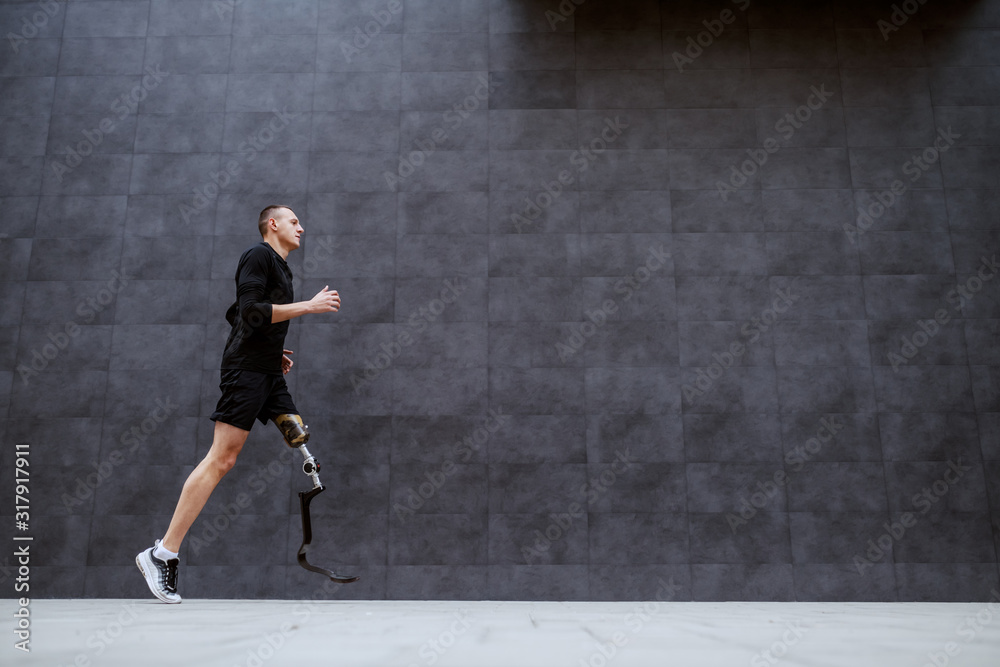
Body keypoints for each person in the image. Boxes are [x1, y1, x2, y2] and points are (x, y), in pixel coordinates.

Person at [136, 205, 340, 603]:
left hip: (266, 369)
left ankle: (164, 554)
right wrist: (308, 307)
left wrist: (271, 348)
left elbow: (241, 317)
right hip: (246, 371)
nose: (302, 227)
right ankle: (162, 554)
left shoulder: (281, 268)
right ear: (273, 224)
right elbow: (250, 311)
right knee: (222, 459)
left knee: (296, 433)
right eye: (294, 221)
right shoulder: (258, 254)